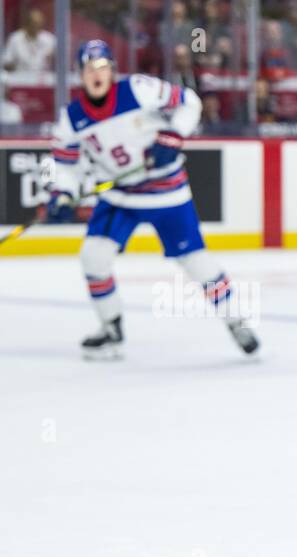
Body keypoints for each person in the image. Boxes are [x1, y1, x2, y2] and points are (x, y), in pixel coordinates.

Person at [45, 40, 257, 359]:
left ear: (113, 70)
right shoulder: (72, 118)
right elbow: (65, 164)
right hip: (119, 196)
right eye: (90, 69)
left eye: (103, 67)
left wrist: (172, 135)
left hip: (166, 191)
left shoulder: (138, 89)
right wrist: (62, 192)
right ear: (80, 75)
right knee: (93, 258)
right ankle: (111, 327)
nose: (97, 74)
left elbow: (190, 102)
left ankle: (236, 321)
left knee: (197, 263)